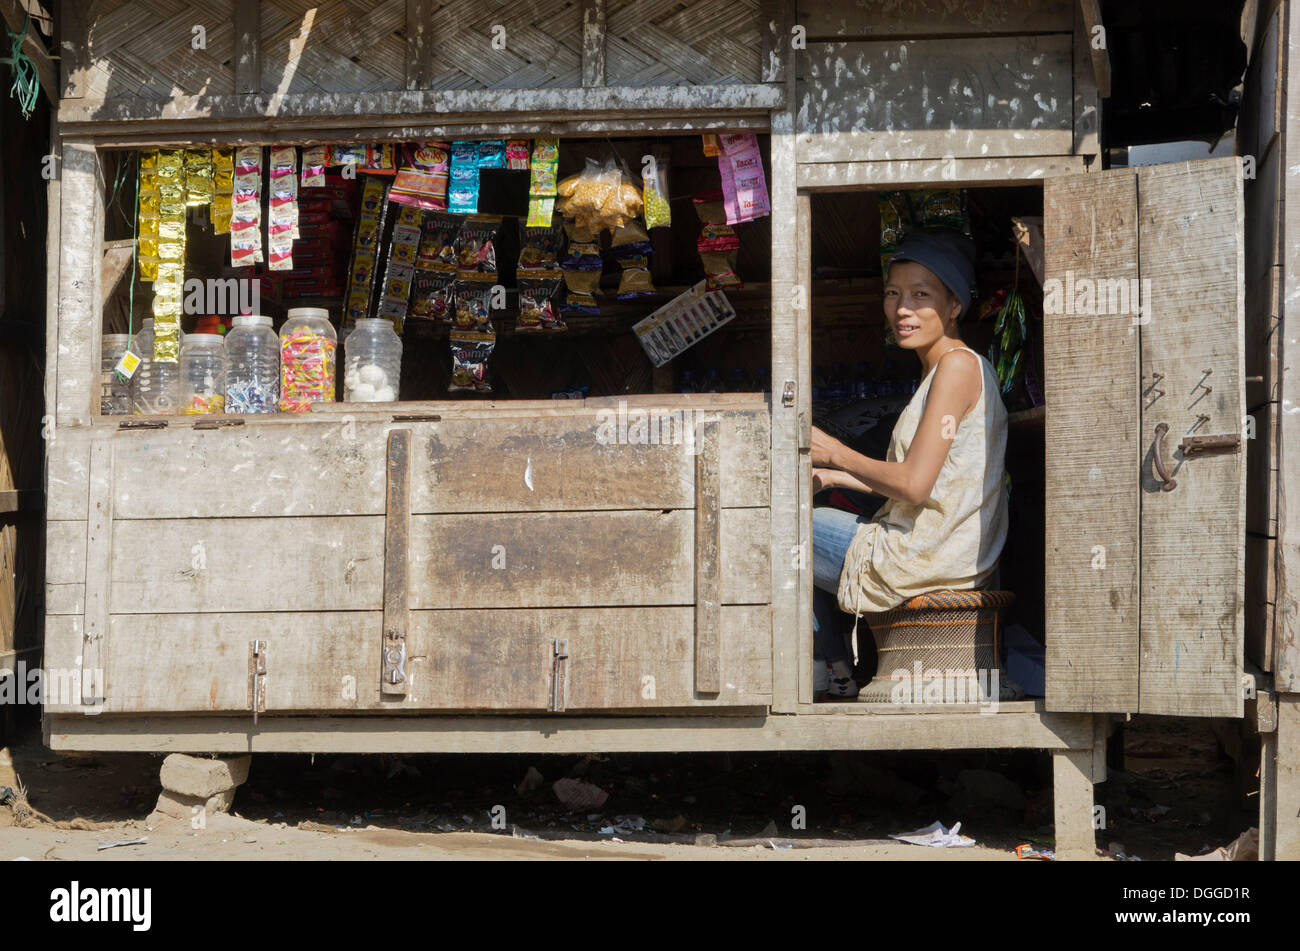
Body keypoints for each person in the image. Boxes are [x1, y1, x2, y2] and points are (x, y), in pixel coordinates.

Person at [810, 228, 1009, 699]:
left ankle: (827, 668)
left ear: (954, 305)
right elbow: (932, 482)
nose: (903, 309)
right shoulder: (945, 368)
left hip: (926, 555)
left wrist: (835, 451)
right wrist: (833, 477)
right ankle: (833, 668)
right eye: (893, 294)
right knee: (804, 521)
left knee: (779, 530)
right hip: (936, 546)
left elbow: (914, 487)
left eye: (922, 295)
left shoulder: (958, 367)